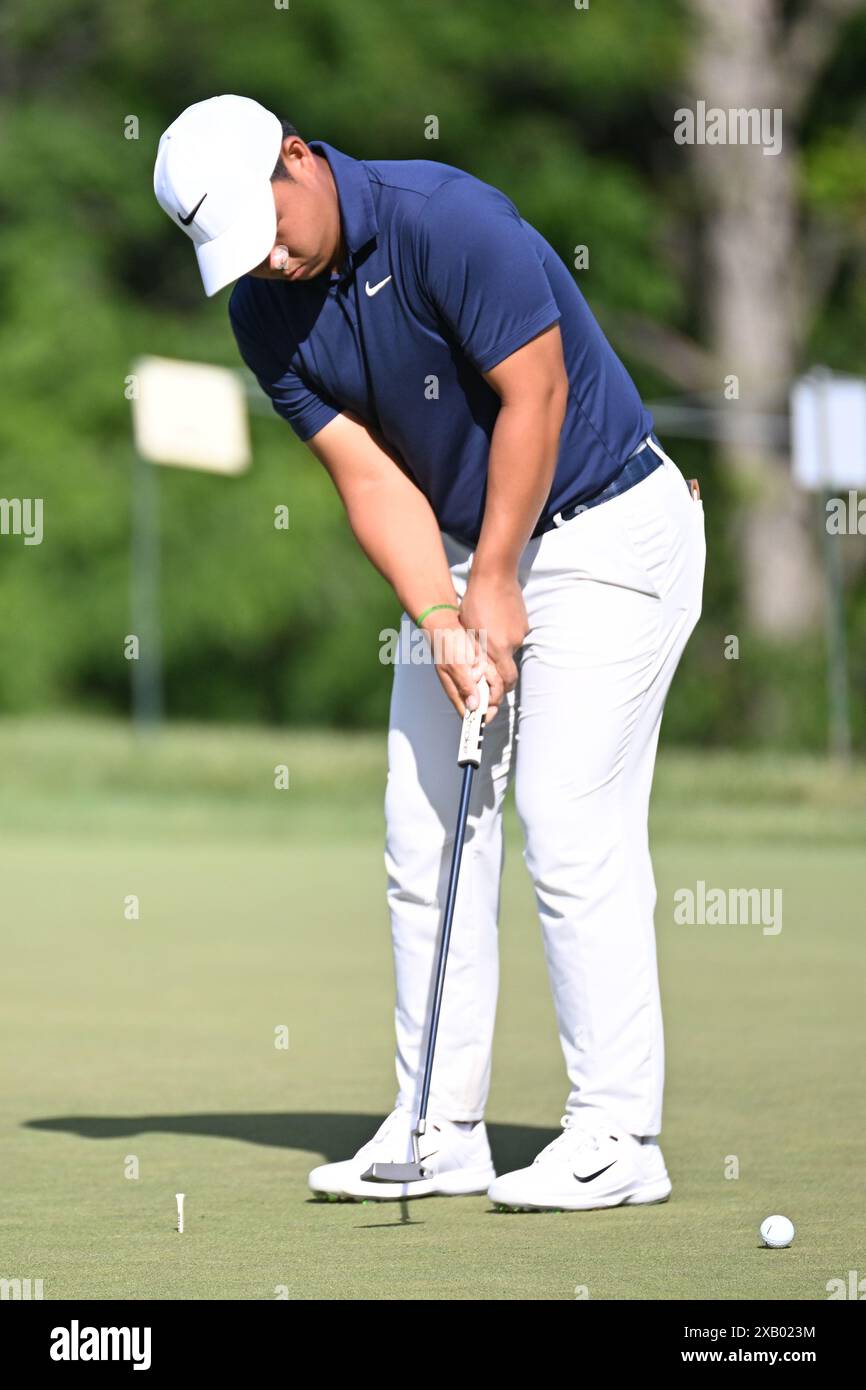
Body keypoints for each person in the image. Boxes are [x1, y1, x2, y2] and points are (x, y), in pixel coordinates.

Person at [154, 94, 705, 1211]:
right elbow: (368, 477)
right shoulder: (264, 310)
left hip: (605, 524)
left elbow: (534, 395)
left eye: (266, 230)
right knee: (426, 829)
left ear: (297, 159)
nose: (262, 261)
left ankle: (616, 1134)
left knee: (563, 818)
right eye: (235, 254)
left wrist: (493, 579)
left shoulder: (446, 219)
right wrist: (443, 614)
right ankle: (438, 1126)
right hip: (461, 549)